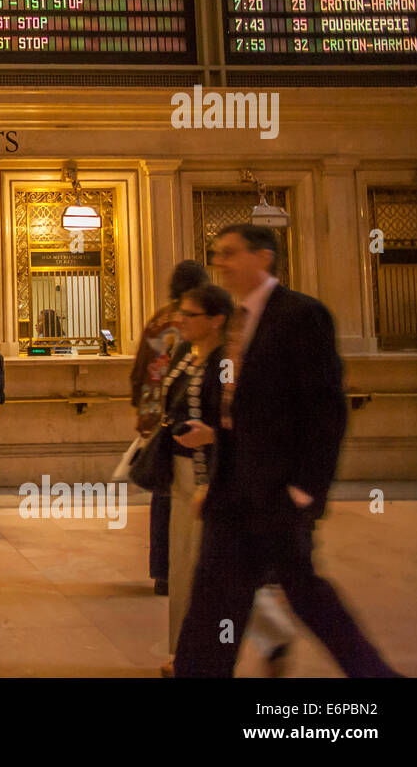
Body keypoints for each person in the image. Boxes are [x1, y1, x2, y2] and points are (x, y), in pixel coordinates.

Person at [175, 224, 401, 678]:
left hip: (278, 494)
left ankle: (374, 674)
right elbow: (240, 413)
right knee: (215, 599)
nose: (220, 262)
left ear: (263, 258)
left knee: (306, 594)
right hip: (234, 494)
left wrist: (305, 489)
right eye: (217, 253)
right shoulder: (237, 323)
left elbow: (324, 412)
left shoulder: (300, 315)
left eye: (230, 253)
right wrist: (216, 459)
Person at [158, 282, 231, 674]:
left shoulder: (228, 361)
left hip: (214, 474)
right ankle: (183, 653)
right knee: (184, 567)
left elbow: (253, 422)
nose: (180, 320)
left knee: (212, 570)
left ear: (216, 320)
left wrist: (214, 435)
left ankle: (268, 635)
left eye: (190, 315)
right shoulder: (187, 354)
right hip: (183, 471)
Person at [131, 260, 209, 596]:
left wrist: (144, 413)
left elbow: (139, 369)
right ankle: (194, 565)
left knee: (163, 492)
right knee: (197, 490)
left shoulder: (160, 320)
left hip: (155, 418)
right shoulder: (204, 321)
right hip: (191, 418)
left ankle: (162, 571)